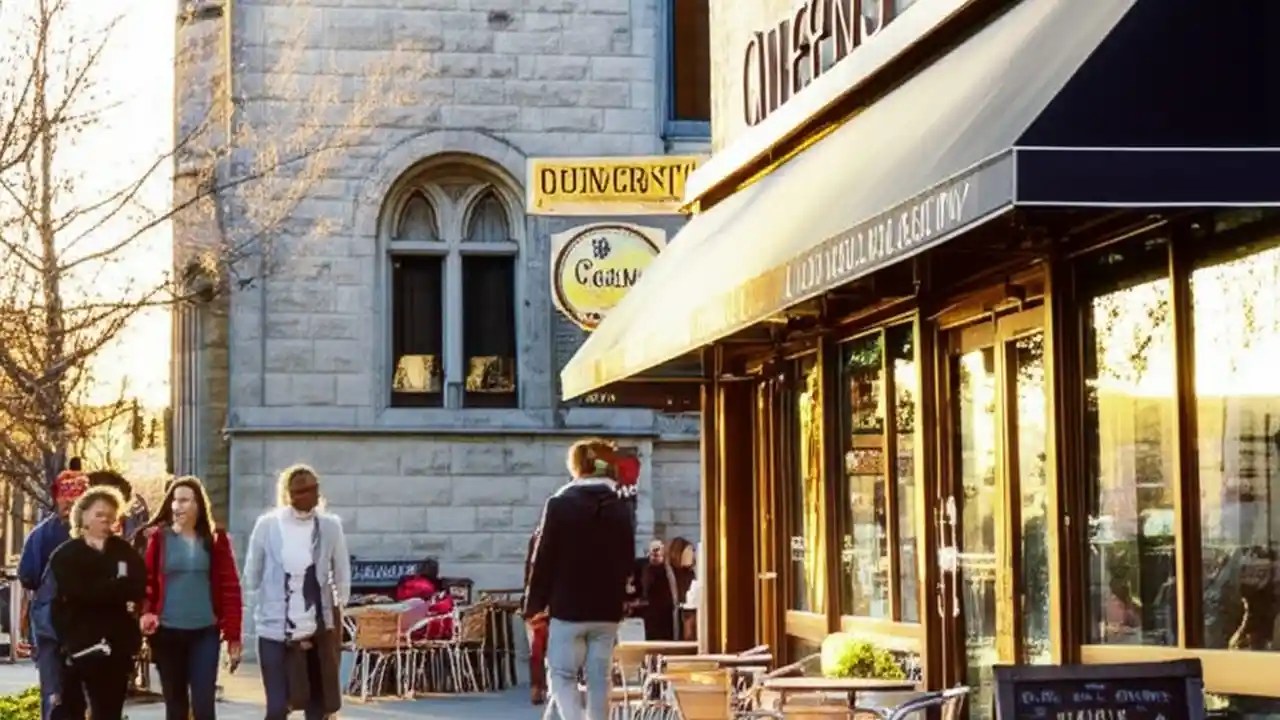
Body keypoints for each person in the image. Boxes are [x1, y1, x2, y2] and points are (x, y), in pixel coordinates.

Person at [525, 439, 636, 720]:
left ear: (576, 468)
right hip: (607, 610)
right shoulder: (622, 508)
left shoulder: (559, 505)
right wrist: (624, 597)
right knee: (600, 678)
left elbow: (544, 558)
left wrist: (534, 604)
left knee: (562, 675)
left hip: (568, 607)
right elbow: (627, 557)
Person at [244, 464, 350, 720]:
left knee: (317, 708)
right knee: (277, 707)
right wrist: (259, 606)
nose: (307, 496)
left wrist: (336, 612)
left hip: (317, 630)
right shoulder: (267, 526)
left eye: (313, 489)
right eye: (300, 490)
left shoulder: (330, 527)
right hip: (273, 631)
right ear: (288, 493)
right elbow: (252, 574)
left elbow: (342, 573)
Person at [139, 477, 244, 720]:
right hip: (167, 632)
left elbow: (230, 587)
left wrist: (233, 634)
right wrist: (147, 611)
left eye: (185, 500)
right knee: (175, 705)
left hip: (204, 631)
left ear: (198, 504)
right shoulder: (159, 538)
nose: (178, 506)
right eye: (175, 500)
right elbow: (147, 582)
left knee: (203, 704)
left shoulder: (215, 540)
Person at [48, 485, 147, 720]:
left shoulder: (123, 550)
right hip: (79, 645)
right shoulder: (66, 554)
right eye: (99, 514)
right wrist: (113, 587)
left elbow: (136, 584)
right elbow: (78, 591)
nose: (106, 520)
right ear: (83, 515)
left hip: (116, 645)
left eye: (110, 516)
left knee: (109, 711)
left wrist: (103, 589)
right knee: (72, 709)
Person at [20, 467, 88, 720]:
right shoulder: (95, 537)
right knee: (78, 696)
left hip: (52, 627)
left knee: (54, 695)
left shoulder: (40, 535)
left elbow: (27, 576)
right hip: (72, 629)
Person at [394, 557, 454, 640]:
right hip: (416, 630)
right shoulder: (427, 587)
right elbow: (436, 608)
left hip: (401, 624)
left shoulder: (407, 585)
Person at [523, 528, 549, 706]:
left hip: (548, 603)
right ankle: (538, 687)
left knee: (540, 649)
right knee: (538, 649)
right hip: (541, 605)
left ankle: (541, 687)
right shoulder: (539, 536)